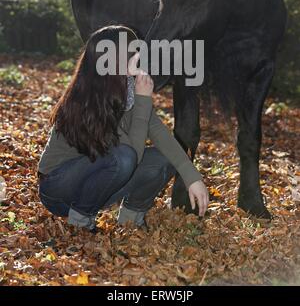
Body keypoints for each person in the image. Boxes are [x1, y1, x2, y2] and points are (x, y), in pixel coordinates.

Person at [37, 25, 209, 233]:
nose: (137, 56)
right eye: (131, 51)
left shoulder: (126, 91)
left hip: (92, 185)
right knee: (124, 158)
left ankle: (131, 219)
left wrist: (192, 178)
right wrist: (143, 101)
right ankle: (81, 222)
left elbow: (162, 136)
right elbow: (130, 156)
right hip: (58, 189)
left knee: (163, 158)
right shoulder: (87, 101)